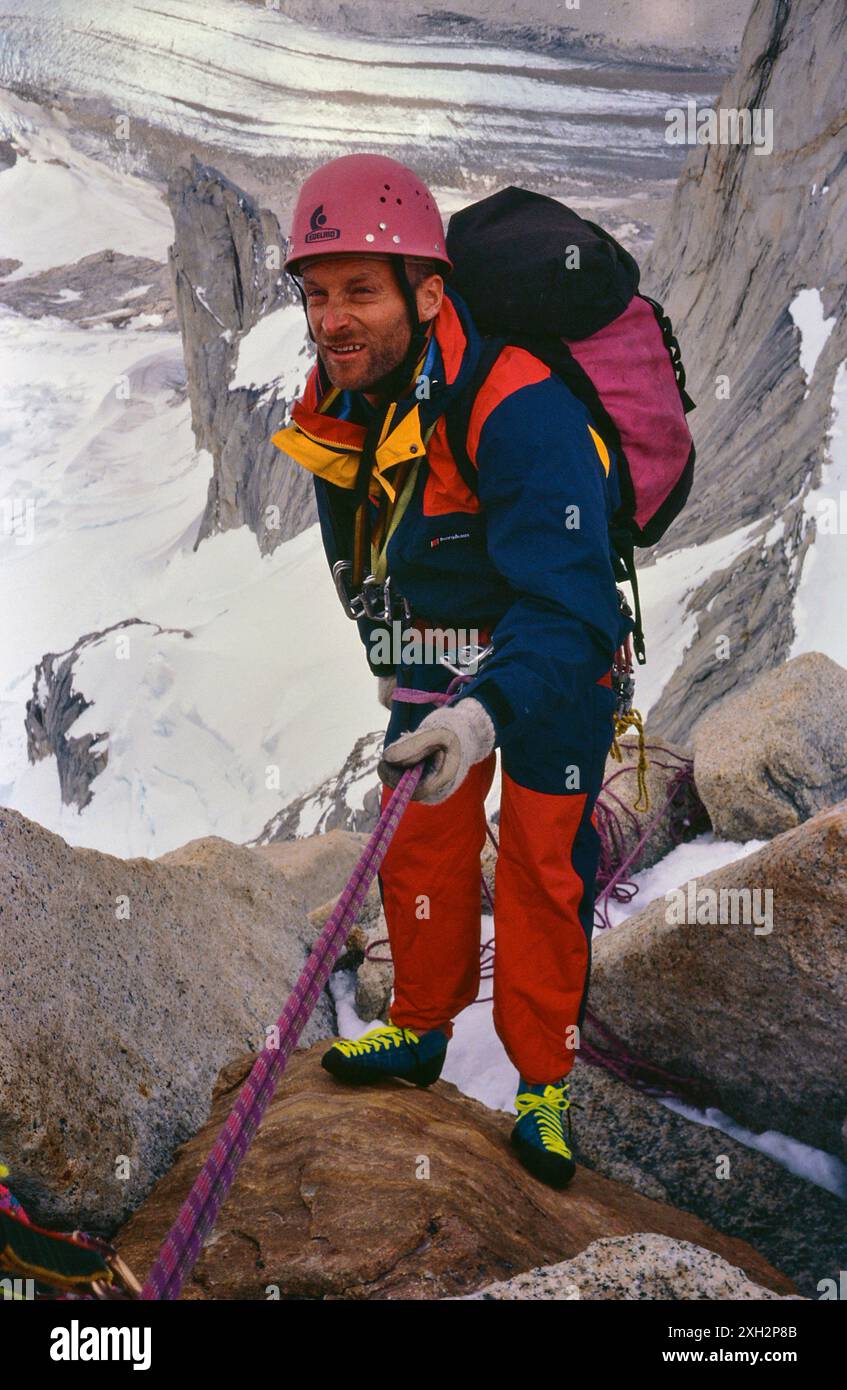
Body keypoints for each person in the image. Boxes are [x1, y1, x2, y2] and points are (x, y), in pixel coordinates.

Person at [272, 153, 634, 1190]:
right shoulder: (350, 395)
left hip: (555, 657)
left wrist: (483, 715)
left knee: (539, 859)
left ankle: (543, 1082)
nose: (332, 317)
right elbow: (367, 553)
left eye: (359, 291)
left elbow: (572, 606)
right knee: (421, 842)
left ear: (428, 293)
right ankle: (420, 1026)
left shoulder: (516, 405)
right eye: (317, 292)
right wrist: (409, 679)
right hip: (441, 642)